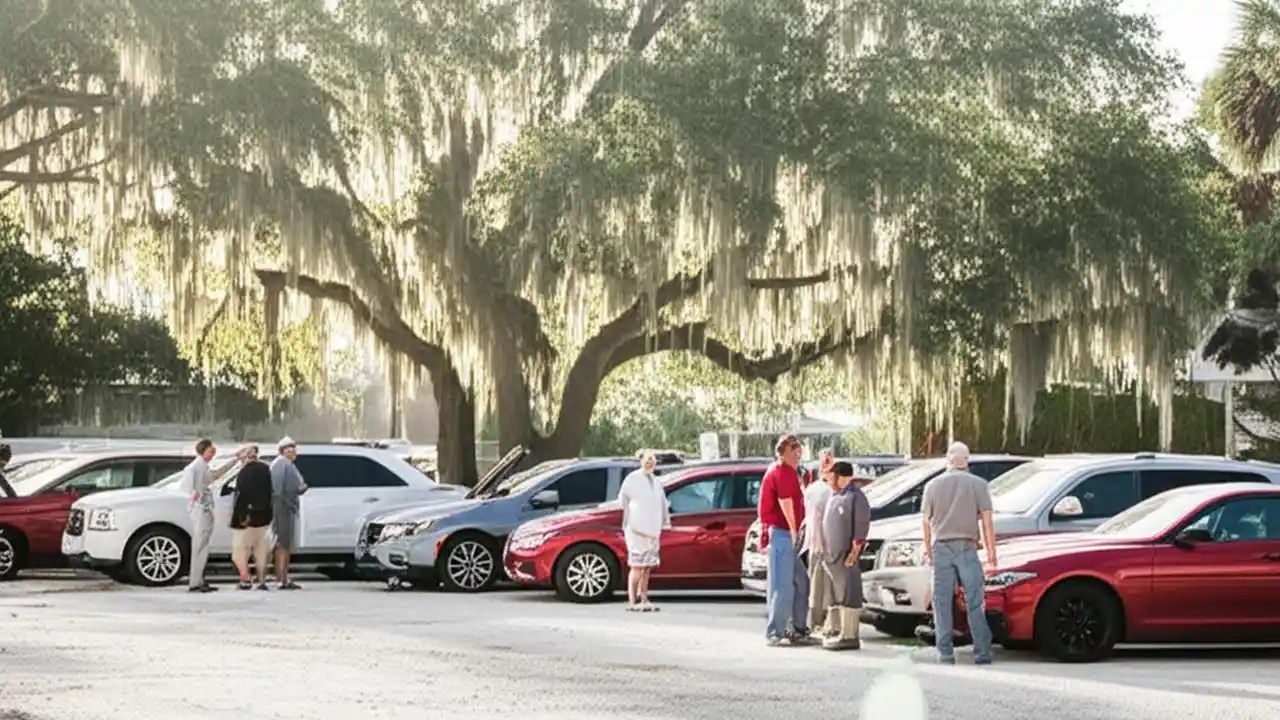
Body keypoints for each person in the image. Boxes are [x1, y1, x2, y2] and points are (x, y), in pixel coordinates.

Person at [922, 441, 996, 665]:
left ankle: (945, 653)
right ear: (967, 460)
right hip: (967, 547)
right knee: (975, 601)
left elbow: (926, 521)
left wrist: (928, 550)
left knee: (941, 601)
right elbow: (987, 521)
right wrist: (992, 553)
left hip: (941, 547)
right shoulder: (979, 485)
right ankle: (981, 652)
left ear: (948, 459)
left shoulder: (932, 486)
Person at [759, 434, 811, 646]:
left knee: (801, 582)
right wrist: (793, 531)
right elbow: (785, 502)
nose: (798, 453)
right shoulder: (783, 471)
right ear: (783, 453)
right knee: (783, 585)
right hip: (783, 534)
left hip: (785, 534)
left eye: (799, 448)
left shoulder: (789, 471)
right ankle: (775, 631)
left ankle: (798, 628)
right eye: (793, 449)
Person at [182, 439, 247, 593]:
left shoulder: (201, 466)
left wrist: (235, 460)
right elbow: (203, 485)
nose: (212, 455)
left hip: (203, 505)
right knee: (200, 544)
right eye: (210, 452)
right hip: (201, 507)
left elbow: (215, 475)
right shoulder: (197, 467)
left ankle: (198, 579)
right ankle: (195, 581)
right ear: (203, 451)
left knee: (202, 544)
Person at [821, 461, 873, 650]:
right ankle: (835, 629)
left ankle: (849, 635)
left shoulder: (855, 497)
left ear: (842, 476)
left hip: (846, 556)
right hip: (832, 556)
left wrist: (854, 552)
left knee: (849, 592)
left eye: (833, 476)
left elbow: (860, 526)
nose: (830, 480)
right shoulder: (836, 496)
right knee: (837, 594)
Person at [618, 452, 671, 612]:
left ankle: (644, 597)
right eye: (647, 461)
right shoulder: (632, 479)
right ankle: (632, 600)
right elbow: (623, 501)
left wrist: (664, 521)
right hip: (636, 529)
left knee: (647, 566)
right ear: (641, 461)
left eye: (652, 462)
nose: (649, 464)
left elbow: (662, 503)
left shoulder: (656, 482)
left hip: (653, 529)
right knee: (637, 566)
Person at [801, 449, 836, 636]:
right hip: (823, 543)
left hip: (816, 543)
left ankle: (819, 622)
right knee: (822, 586)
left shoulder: (813, 490)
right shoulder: (825, 491)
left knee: (818, 586)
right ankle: (821, 623)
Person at [230, 445, 273, 590]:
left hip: (245, 518)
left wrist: (239, 517)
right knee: (260, 550)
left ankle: (245, 579)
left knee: (239, 552)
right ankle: (261, 581)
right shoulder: (266, 469)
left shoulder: (244, 472)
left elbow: (241, 496)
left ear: (246, 456)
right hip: (263, 517)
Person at [270, 437, 308, 590]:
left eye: (293, 450)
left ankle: (283, 577)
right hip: (284, 507)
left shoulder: (278, 464)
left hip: (281, 506)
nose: (292, 452)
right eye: (288, 450)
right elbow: (295, 487)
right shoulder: (285, 464)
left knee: (283, 543)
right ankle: (282, 578)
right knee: (284, 544)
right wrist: (303, 486)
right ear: (282, 451)